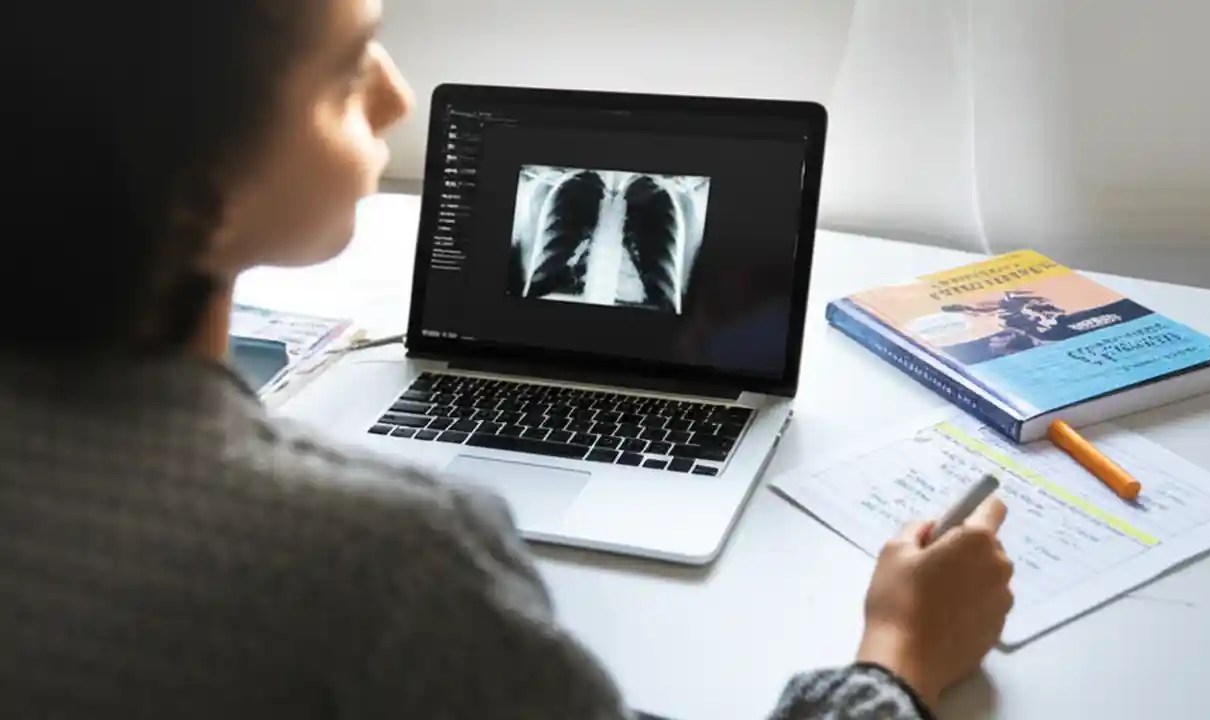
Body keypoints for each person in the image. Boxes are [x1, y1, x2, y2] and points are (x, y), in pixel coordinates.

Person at [0, 1, 1014, 718]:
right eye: (349, 68)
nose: (396, 100)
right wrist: (896, 662)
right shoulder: (393, 558)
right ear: (195, 170)